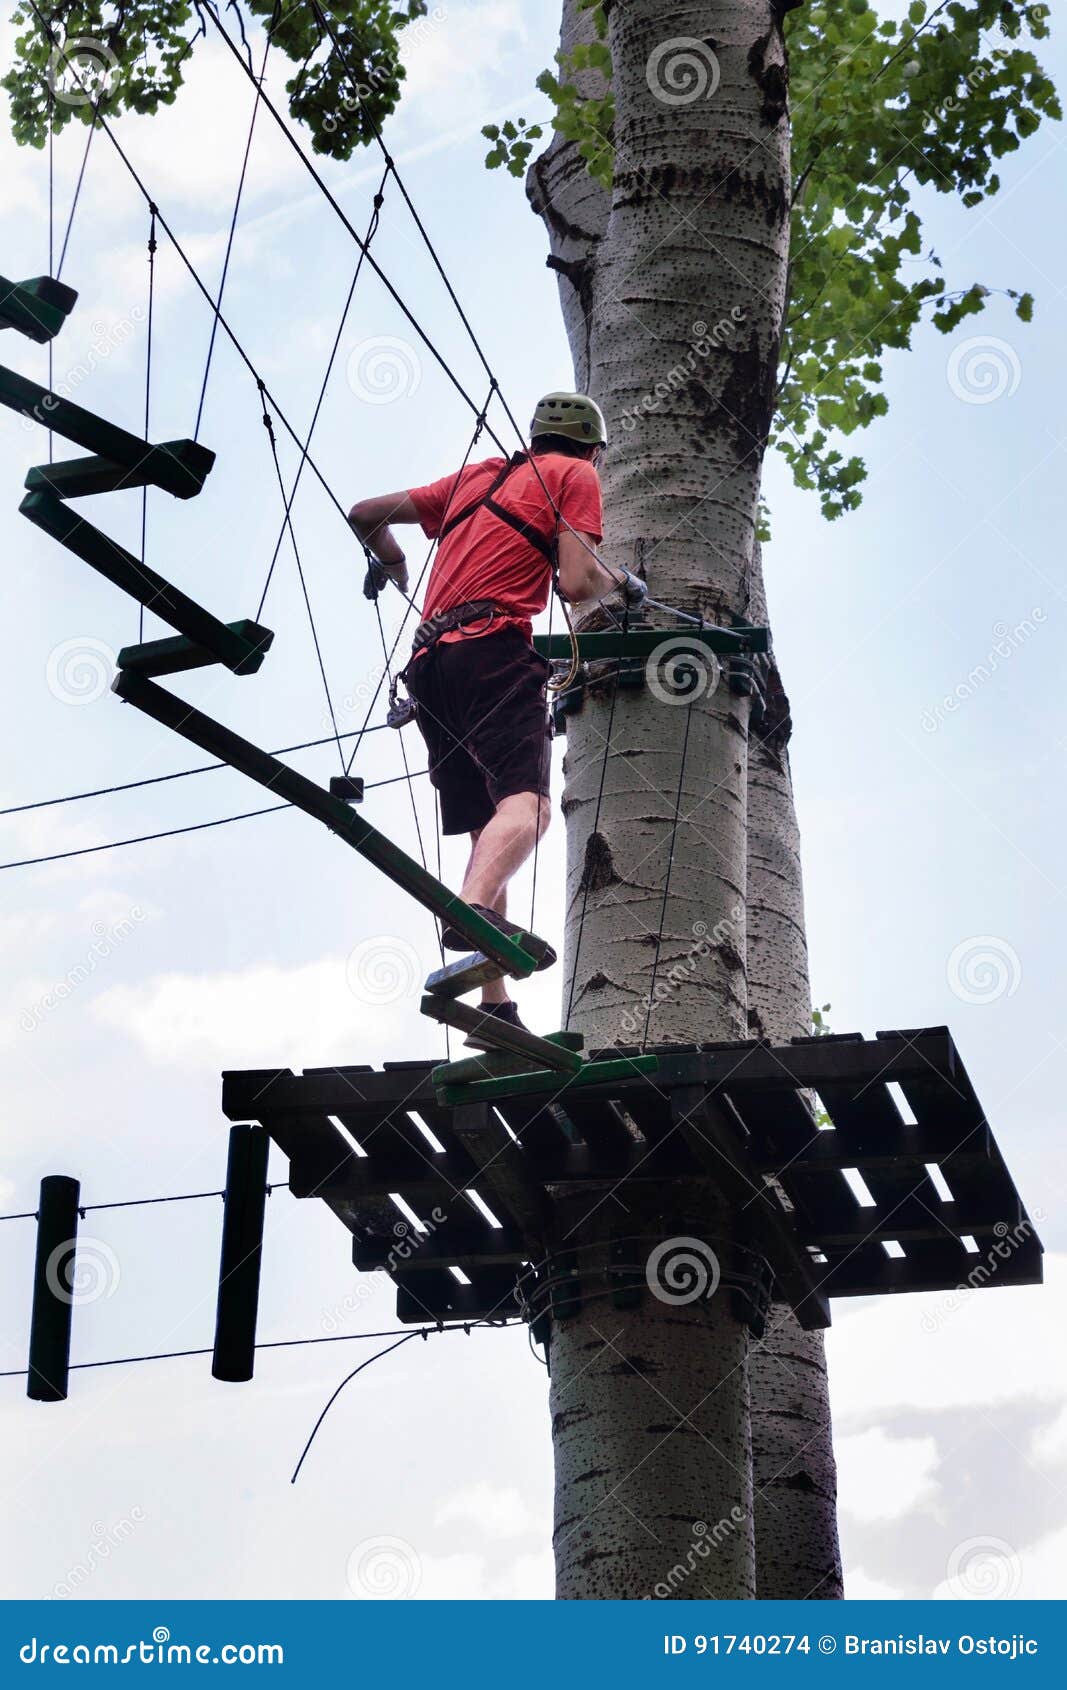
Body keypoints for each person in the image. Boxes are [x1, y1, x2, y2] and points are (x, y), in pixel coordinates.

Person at [348, 391, 645, 1046]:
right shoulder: (575, 475)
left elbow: (366, 513)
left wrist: (392, 561)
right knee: (529, 808)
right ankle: (472, 910)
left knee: (491, 824)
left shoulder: (477, 477)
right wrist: (619, 583)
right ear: (591, 448)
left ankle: (494, 1005)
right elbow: (573, 583)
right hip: (491, 651)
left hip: (428, 665)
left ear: (535, 437)